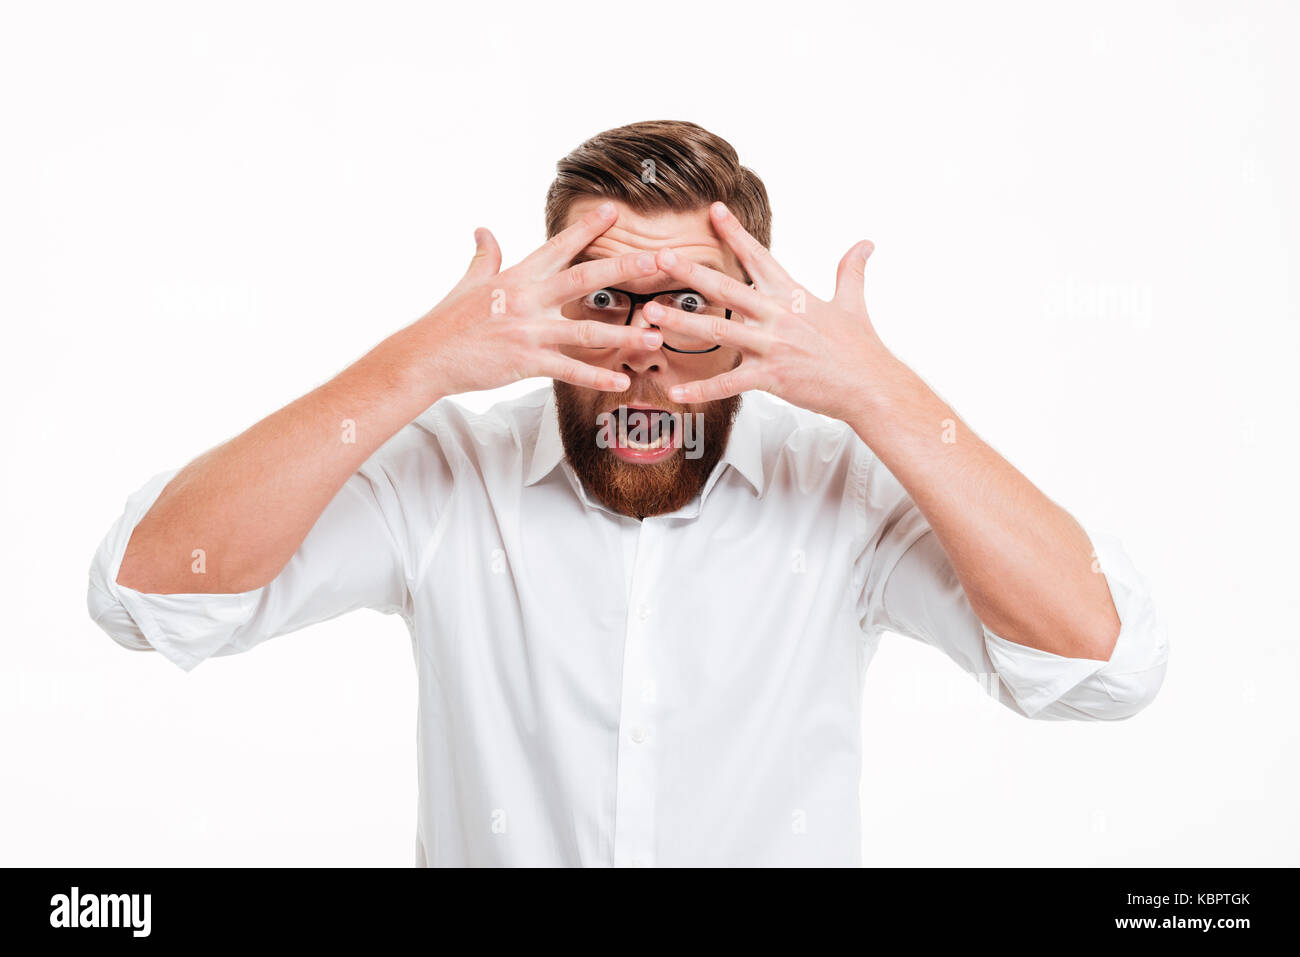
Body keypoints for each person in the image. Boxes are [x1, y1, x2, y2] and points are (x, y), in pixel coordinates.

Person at [87, 120, 1169, 867]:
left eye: (689, 306)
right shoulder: (444, 477)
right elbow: (151, 592)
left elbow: (1101, 666)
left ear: (759, 317)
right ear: (538, 306)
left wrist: (881, 393)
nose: (645, 354)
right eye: (604, 299)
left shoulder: (842, 486)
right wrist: (415, 364)